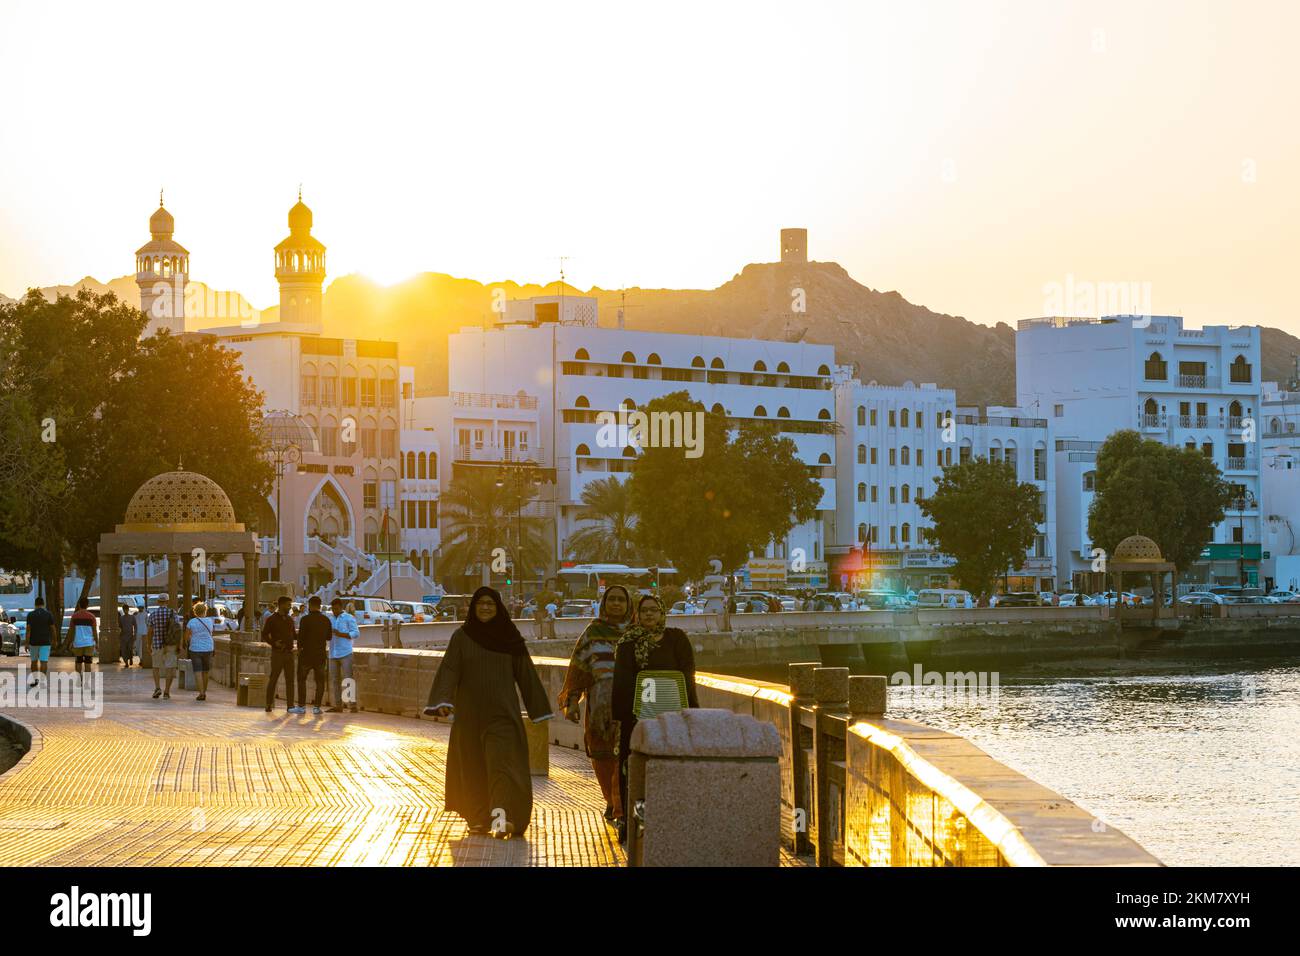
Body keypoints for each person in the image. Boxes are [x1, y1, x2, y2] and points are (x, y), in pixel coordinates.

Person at [423, 587, 554, 838]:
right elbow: (450, 670)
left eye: (490, 604)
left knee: (502, 767)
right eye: (480, 604)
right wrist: (442, 700)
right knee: (473, 767)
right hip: (469, 717)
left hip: (502, 715)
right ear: (473, 607)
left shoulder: (509, 638)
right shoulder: (461, 637)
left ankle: (503, 818)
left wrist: (538, 708)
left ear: (498, 608)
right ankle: (479, 818)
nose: (485, 608)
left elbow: (525, 672)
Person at [612, 594, 699, 844]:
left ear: (662, 613)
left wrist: (691, 710)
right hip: (638, 717)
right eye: (644, 611)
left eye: (654, 610)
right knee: (633, 769)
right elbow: (623, 682)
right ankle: (631, 823)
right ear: (637, 615)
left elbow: (687, 675)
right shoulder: (628, 643)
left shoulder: (677, 639)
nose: (649, 615)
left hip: (675, 715)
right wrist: (624, 716)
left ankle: (672, 822)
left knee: (673, 767)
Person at [558, 584, 630, 825]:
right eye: (612, 599)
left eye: (621, 599)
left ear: (628, 604)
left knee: (624, 757)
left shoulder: (636, 633)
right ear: (604, 603)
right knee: (602, 757)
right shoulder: (593, 632)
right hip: (599, 707)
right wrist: (572, 701)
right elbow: (578, 668)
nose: (617, 604)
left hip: (631, 705)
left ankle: (619, 806)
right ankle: (611, 801)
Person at [294, 596, 331, 715]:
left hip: (306, 655)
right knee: (320, 681)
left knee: (301, 680)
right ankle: (316, 707)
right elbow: (329, 637)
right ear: (319, 605)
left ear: (310, 605)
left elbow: (301, 638)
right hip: (320, 655)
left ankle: (301, 706)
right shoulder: (326, 620)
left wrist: (300, 649)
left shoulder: (305, 619)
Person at [261, 595, 297, 713]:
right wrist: (274, 643)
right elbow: (264, 634)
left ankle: (290, 705)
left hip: (289, 653)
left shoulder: (290, 620)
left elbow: (294, 635)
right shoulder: (272, 619)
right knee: (274, 678)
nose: (290, 607)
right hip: (277, 653)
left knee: (290, 680)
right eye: (288, 605)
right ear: (281, 605)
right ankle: (268, 704)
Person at [328, 597, 359, 713]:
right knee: (335, 680)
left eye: (336, 609)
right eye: (333, 609)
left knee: (348, 679)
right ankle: (338, 705)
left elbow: (356, 633)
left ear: (341, 607)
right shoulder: (330, 619)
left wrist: (341, 634)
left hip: (345, 652)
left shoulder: (348, 618)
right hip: (333, 653)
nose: (334, 611)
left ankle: (352, 705)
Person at [147, 599, 182, 699]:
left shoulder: (153, 614)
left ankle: (157, 688)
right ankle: (167, 692)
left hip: (157, 644)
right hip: (170, 645)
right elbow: (177, 630)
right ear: (167, 601)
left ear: (158, 602)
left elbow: (150, 631)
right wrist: (178, 644)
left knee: (156, 667)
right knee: (170, 668)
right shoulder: (173, 613)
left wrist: (148, 644)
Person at [185, 600, 215, 701]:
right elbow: (211, 632)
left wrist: (191, 640)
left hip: (195, 648)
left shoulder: (191, 622)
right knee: (206, 671)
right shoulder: (210, 621)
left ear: (195, 611)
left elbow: (187, 636)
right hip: (208, 648)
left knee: (198, 671)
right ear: (205, 611)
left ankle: (201, 692)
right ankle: (204, 692)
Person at [25, 597, 55, 689]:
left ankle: (35, 680)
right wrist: (55, 640)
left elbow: (28, 630)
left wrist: (26, 642)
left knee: (34, 661)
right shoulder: (48, 614)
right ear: (43, 604)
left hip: (33, 642)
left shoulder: (30, 615)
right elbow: (53, 629)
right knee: (44, 662)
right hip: (45, 641)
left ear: (35, 604)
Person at [69, 598, 98, 678]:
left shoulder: (74, 616)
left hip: (78, 643)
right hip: (89, 643)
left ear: (79, 605)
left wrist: (71, 642)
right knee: (88, 663)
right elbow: (94, 631)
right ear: (87, 605)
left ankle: (79, 678)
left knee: (78, 662)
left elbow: (72, 630)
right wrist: (97, 642)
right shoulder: (92, 617)